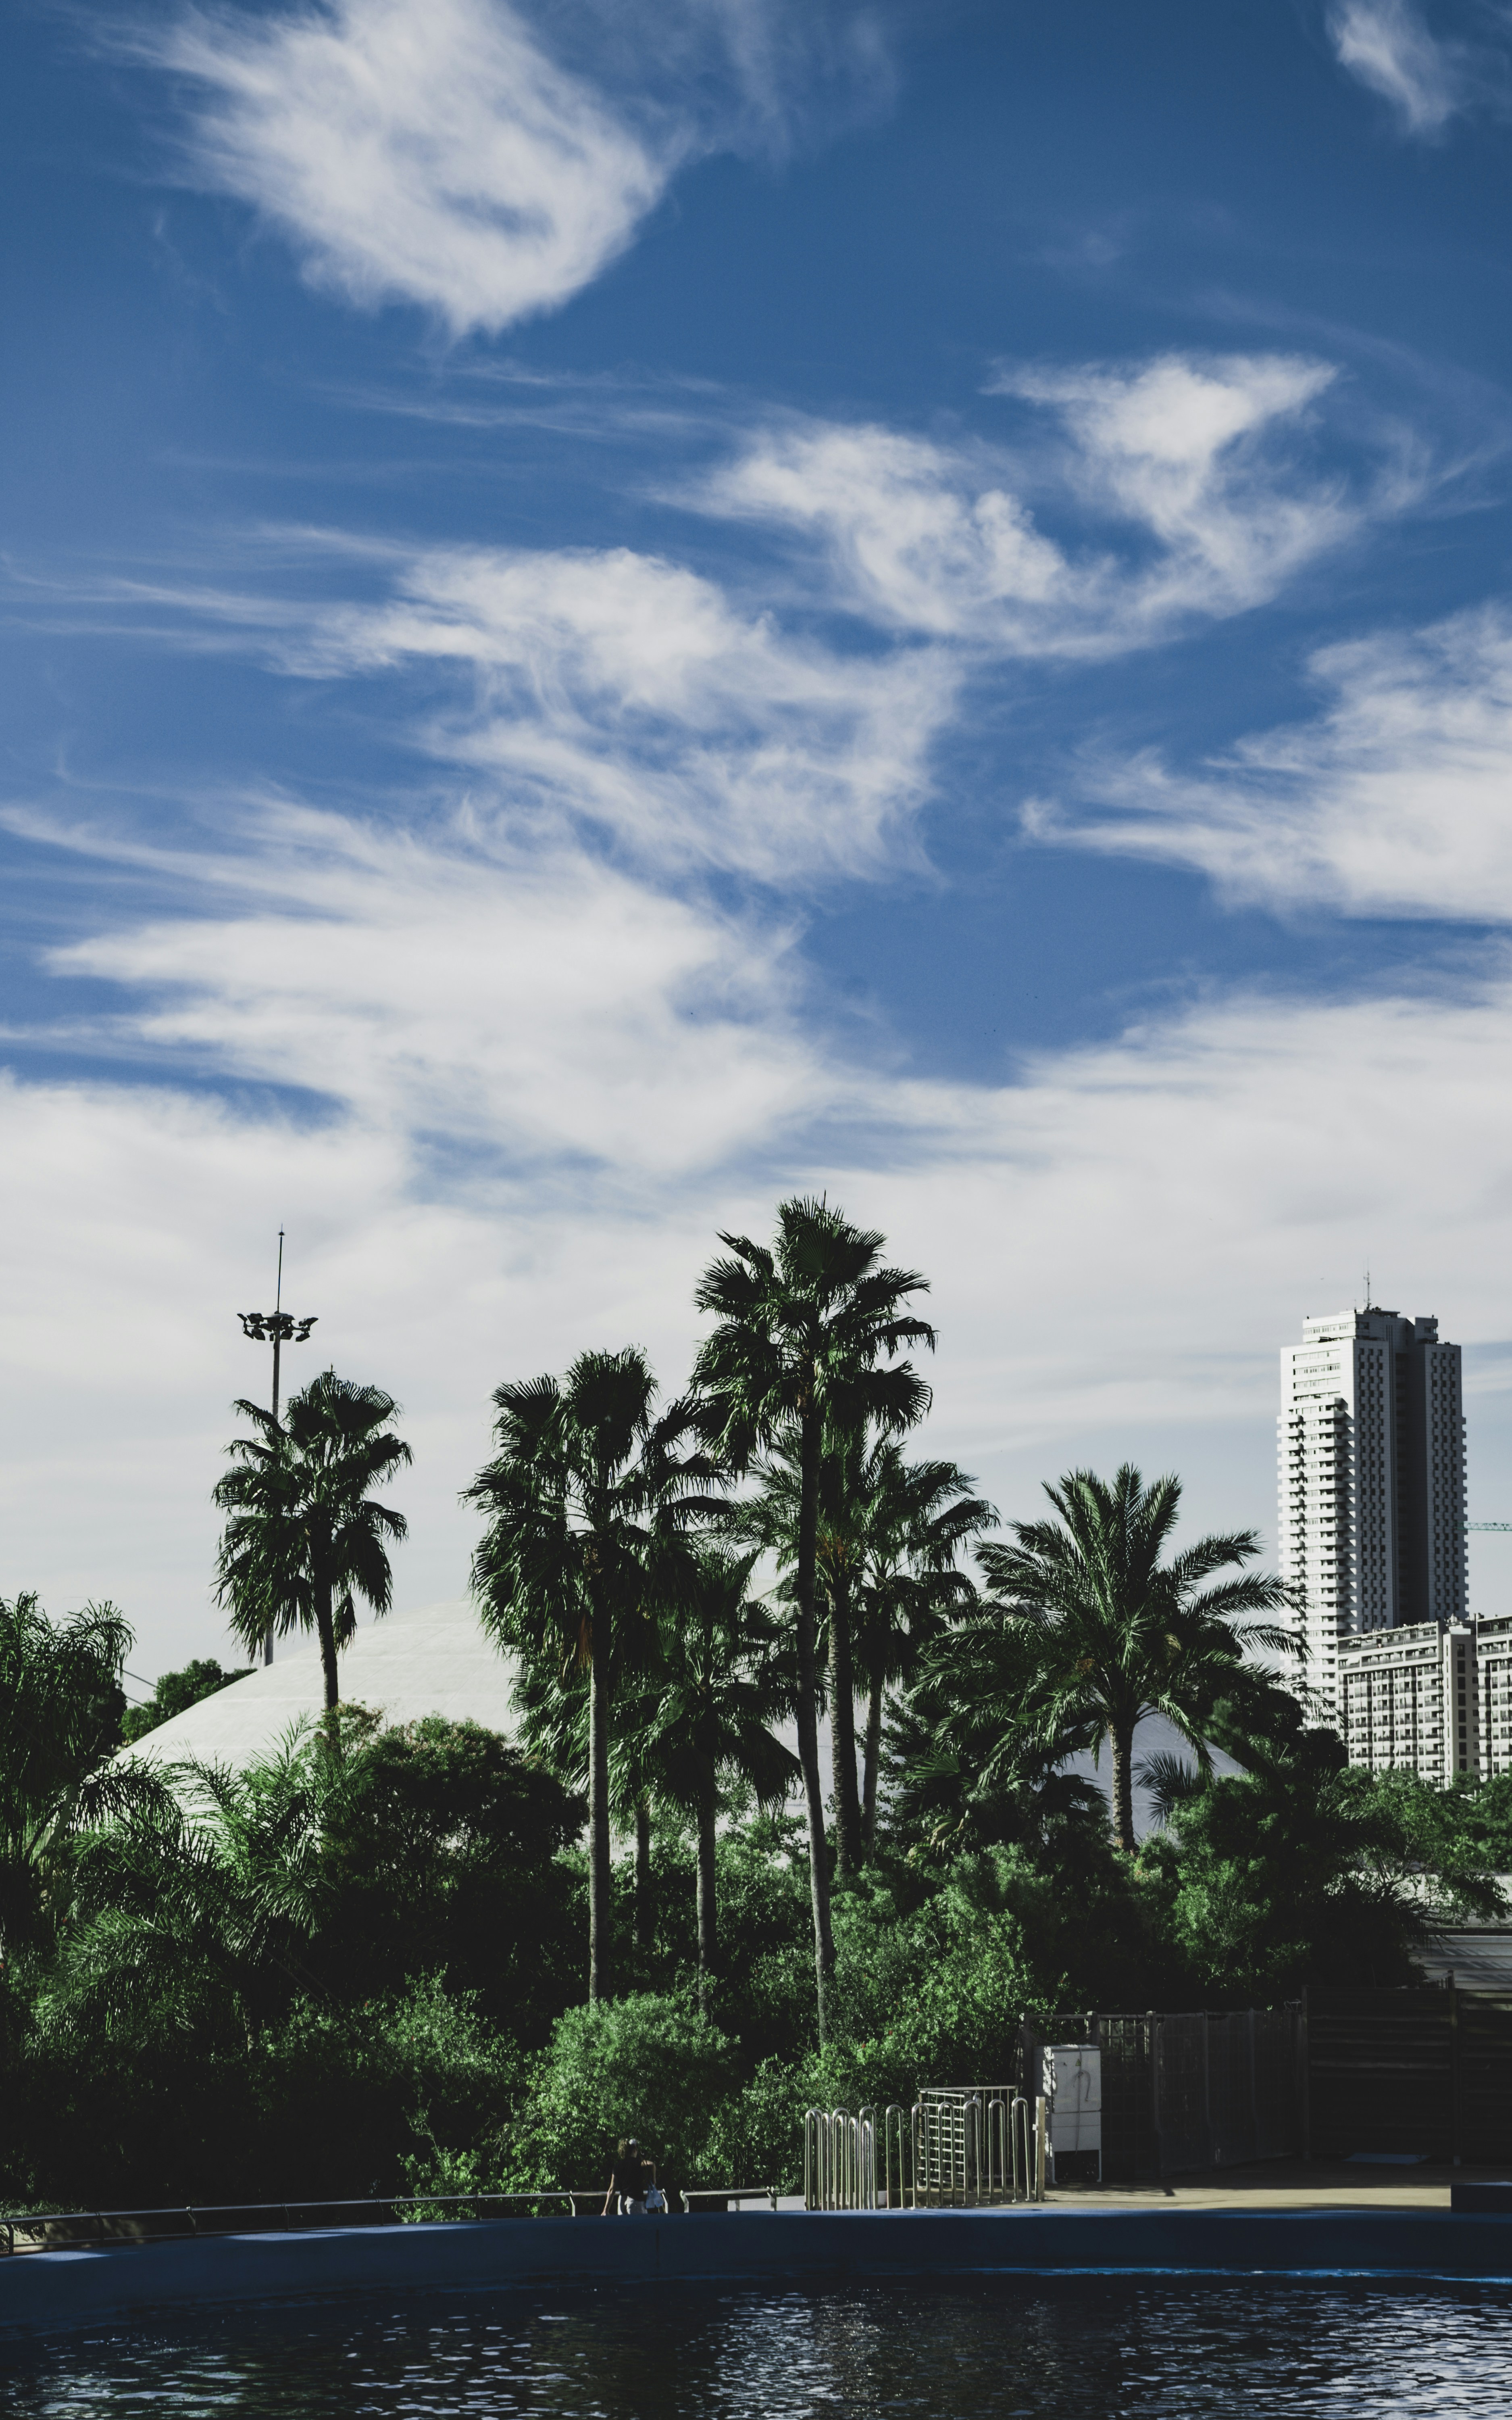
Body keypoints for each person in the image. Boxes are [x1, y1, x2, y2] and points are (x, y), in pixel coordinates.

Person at [602, 2137, 660, 2216]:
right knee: (640, 2227)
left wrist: (606, 2210)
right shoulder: (639, 2163)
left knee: (624, 2227)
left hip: (622, 2202)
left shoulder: (618, 2166)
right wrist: (654, 2180)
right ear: (635, 2150)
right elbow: (652, 2165)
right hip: (635, 2202)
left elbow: (612, 2189)